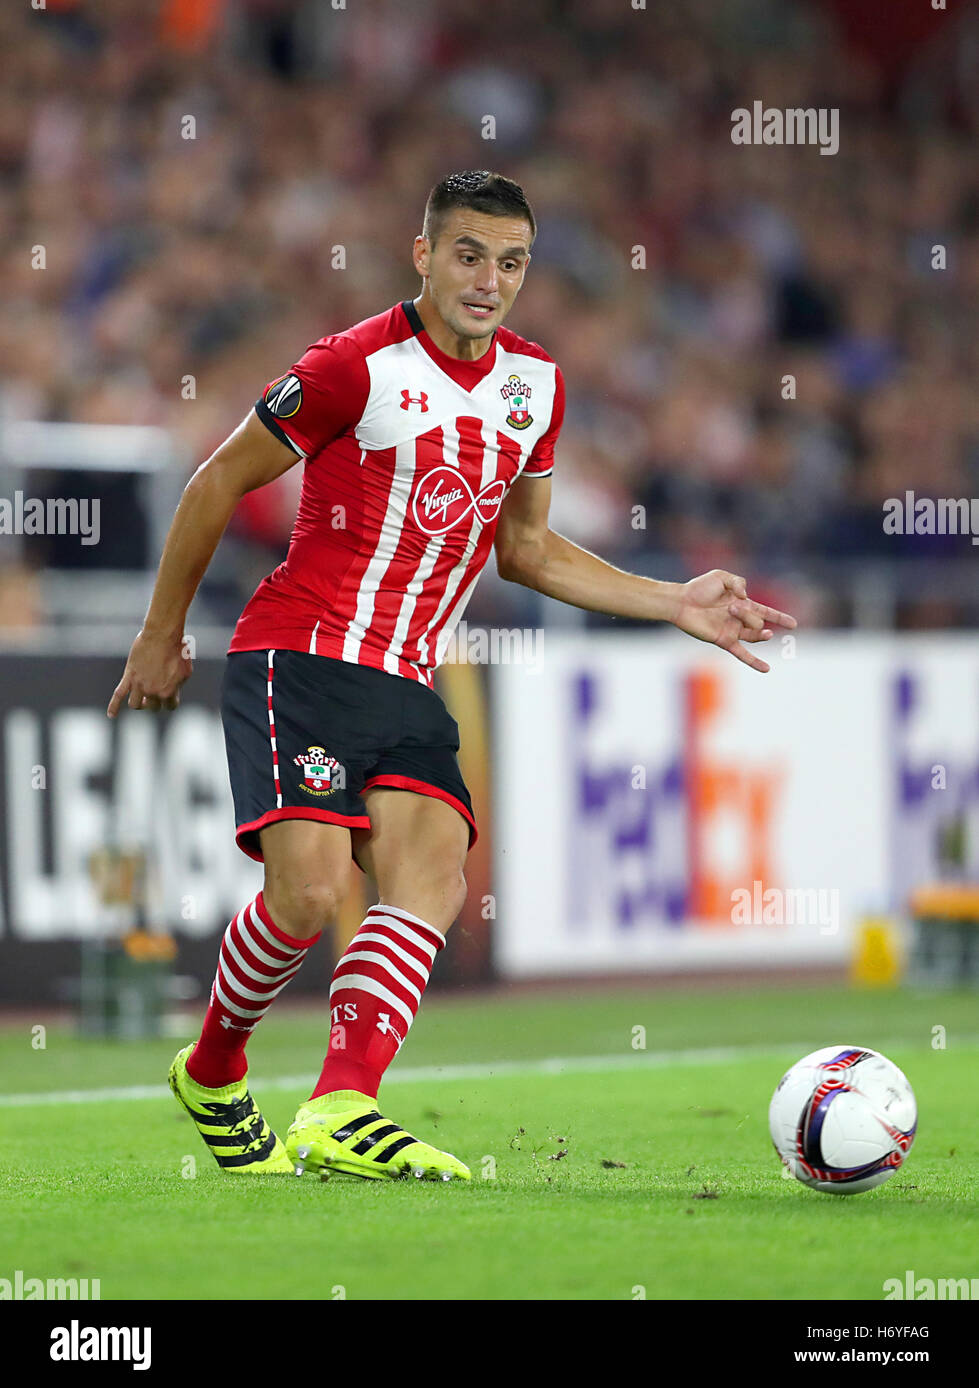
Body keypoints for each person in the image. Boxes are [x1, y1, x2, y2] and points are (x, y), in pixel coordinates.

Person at [107, 170, 796, 1182]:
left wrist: (672, 601)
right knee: (306, 897)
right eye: (469, 255)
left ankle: (343, 1104)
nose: (489, 280)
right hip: (299, 651)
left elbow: (526, 550)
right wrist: (160, 632)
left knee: (430, 875)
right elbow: (217, 481)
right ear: (424, 254)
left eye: (511, 262)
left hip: (407, 674)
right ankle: (214, 1069)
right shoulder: (352, 366)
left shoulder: (535, 387)